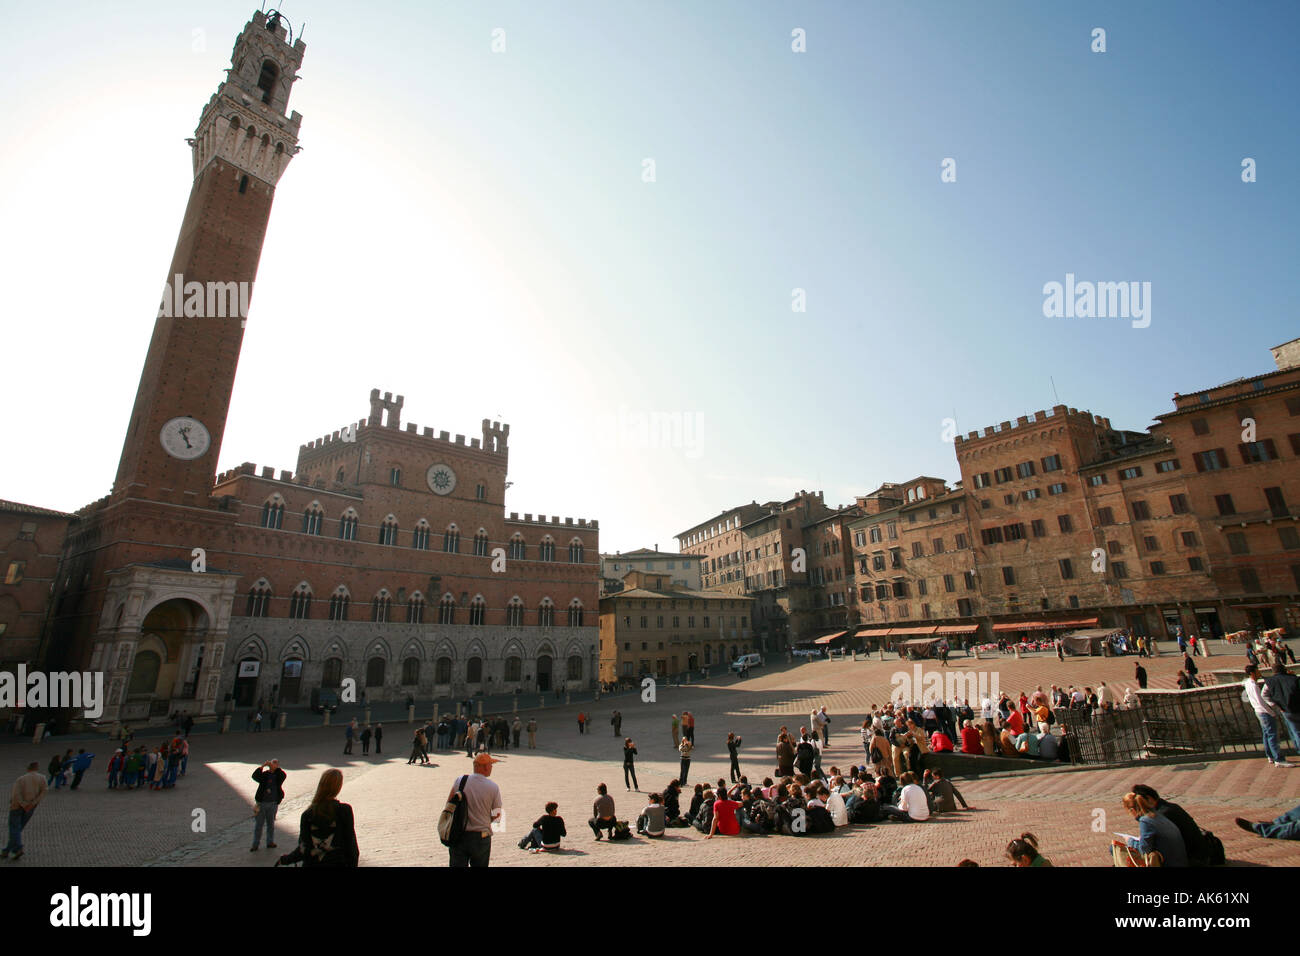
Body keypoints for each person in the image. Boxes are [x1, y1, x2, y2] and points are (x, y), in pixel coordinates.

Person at [276, 769, 359, 867]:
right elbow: (351, 846)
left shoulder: (308, 814)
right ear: (338, 787)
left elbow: (304, 849)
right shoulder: (344, 810)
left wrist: (285, 859)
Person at [446, 752, 502, 867]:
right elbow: (497, 815)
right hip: (481, 836)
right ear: (485, 767)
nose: (491, 767)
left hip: (459, 834)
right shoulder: (493, 787)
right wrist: (485, 820)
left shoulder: (460, 780)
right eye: (491, 764)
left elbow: (449, 804)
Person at [1118, 791, 1188, 866]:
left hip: (1168, 863)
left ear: (1132, 810)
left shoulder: (1145, 821)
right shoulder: (1156, 814)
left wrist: (1130, 841)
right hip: (1180, 860)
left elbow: (1144, 850)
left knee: (1115, 849)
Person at [1243, 663, 1294, 767]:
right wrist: (1271, 712)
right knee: (1272, 736)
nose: (1259, 672)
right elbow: (1260, 701)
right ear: (1253, 673)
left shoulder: (1248, 682)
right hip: (1264, 712)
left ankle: (1270, 755)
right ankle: (1278, 759)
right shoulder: (1253, 685)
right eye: (1257, 671)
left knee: (1266, 734)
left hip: (1258, 711)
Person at [2, 762, 47, 861]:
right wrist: (32, 804)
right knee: (17, 829)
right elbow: (43, 792)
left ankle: (18, 848)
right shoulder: (42, 778)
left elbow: (16, 794)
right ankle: (7, 850)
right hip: (31, 807)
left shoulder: (21, 779)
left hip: (17, 806)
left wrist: (23, 804)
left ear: (28, 769)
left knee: (14, 828)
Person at [251, 759, 287, 851]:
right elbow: (255, 776)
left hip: (273, 803)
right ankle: (255, 844)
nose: (273, 764)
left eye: (275, 763)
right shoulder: (265, 775)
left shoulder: (278, 775)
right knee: (259, 825)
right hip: (261, 803)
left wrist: (276, 768)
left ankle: (270, 842)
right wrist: (262, 766)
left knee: (271, 824)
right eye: (272, 762)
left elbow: (283, 775)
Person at [1264, 663, 1300, 755]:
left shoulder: (1270, 681)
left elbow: (1264, 695)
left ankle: (1298, 749)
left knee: (1294, 731)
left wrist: (1276, 706)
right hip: (1297, 707)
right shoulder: (1293, 679)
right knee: (1296, 732)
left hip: (1285, 710)